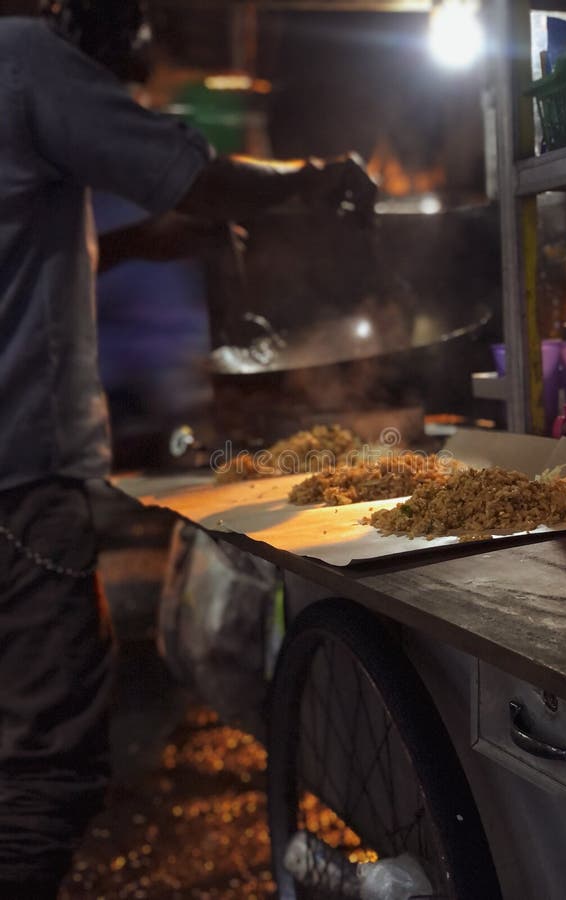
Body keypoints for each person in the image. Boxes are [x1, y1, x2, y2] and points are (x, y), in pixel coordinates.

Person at [0, 2, 377, 897]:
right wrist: (315, 176)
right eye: (140, 40)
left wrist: (133, 243)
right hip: (17, 482)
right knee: (45, 766)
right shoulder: (23, 59)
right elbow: (194, 175)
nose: (141, 63)